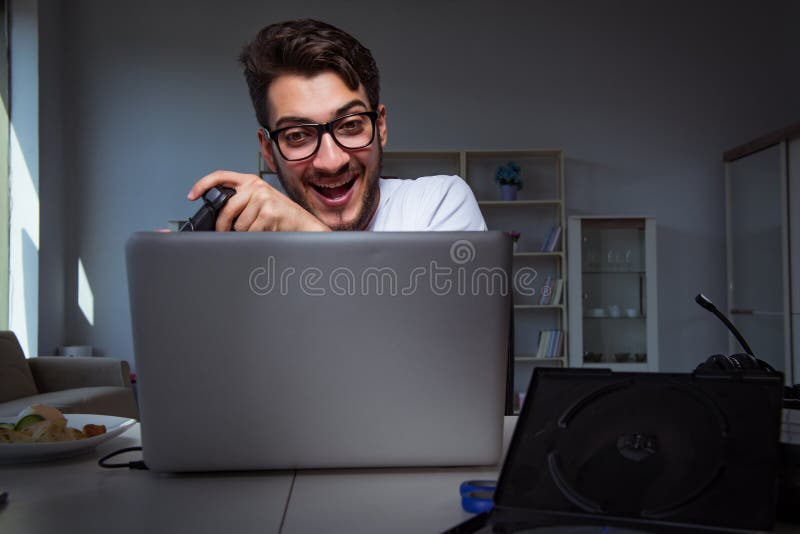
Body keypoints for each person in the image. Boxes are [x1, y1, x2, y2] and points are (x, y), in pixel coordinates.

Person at [188, 19, 486, 232]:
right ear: (268, 149)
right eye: (297, 135)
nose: (331, 162)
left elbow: (448, 321)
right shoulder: (238, 244)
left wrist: (305, 234)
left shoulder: (438, 203)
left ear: (380, 126)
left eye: (351, 126)